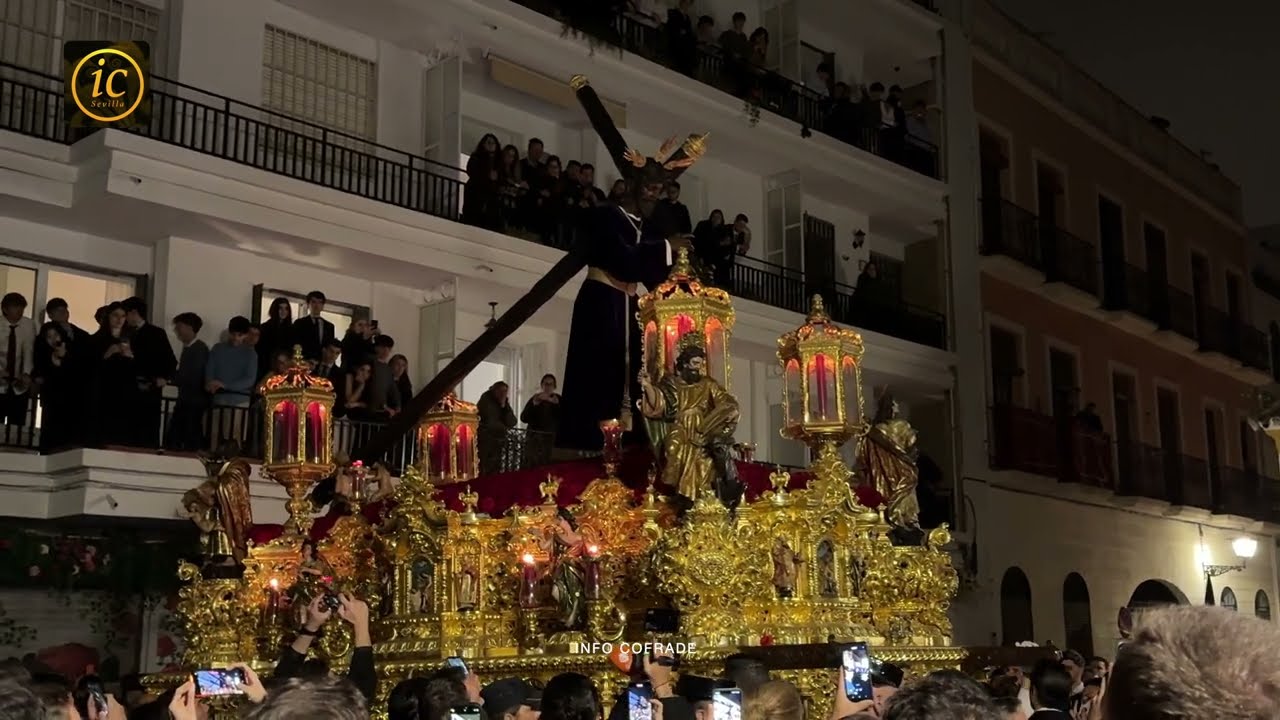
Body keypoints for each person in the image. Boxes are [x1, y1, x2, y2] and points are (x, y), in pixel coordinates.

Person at [557, 75, 702, 452]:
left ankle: (635, 444)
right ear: (633, 187)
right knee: (599, 375)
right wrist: (666, 248)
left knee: (638, 374)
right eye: (648, 190)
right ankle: (588, 443)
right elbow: (622, 261)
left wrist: (678, 267)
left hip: (631, 308)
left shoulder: (648, 229)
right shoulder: (606, 218)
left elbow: (651, 276)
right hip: (602, 299)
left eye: (659, 190)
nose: (653, 196)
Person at [166, 312, 209, 452]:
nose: (176, 331)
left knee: (187, 434)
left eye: (179, 327)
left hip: (193, 400)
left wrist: (170, 378)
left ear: (190, 328)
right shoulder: (190, 348)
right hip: (187, 399)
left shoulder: (199, 349)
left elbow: (192, 375)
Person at [0, 293, 36, 433]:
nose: (19, 312)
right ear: (5, 309)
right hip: (0, 380)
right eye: (15, 308)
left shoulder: (28, 325)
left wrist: (27, 373)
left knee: (18, 426)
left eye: (21, 308)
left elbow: (30, 350)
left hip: (20, 383)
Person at [478, 381, 517, 474]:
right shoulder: (486, 398)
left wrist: (504, 406)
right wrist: (503, 427)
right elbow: (490, 420)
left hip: (499, 440)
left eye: (505, 391)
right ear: (495, 390)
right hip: (486, 439)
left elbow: (512, 421)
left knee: (496, 466)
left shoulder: (504, 401)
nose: (503, 393)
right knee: (485, 466)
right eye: (501, 391)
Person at [291, 291, 335, 363]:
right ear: (308, 304)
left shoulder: (329, 326)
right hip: (304, 362)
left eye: (320, 302)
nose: (316, 305)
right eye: (313, 302)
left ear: (323, 306)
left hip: (321, 363)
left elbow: (330, 347)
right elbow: (295, 344)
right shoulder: (300, 323)